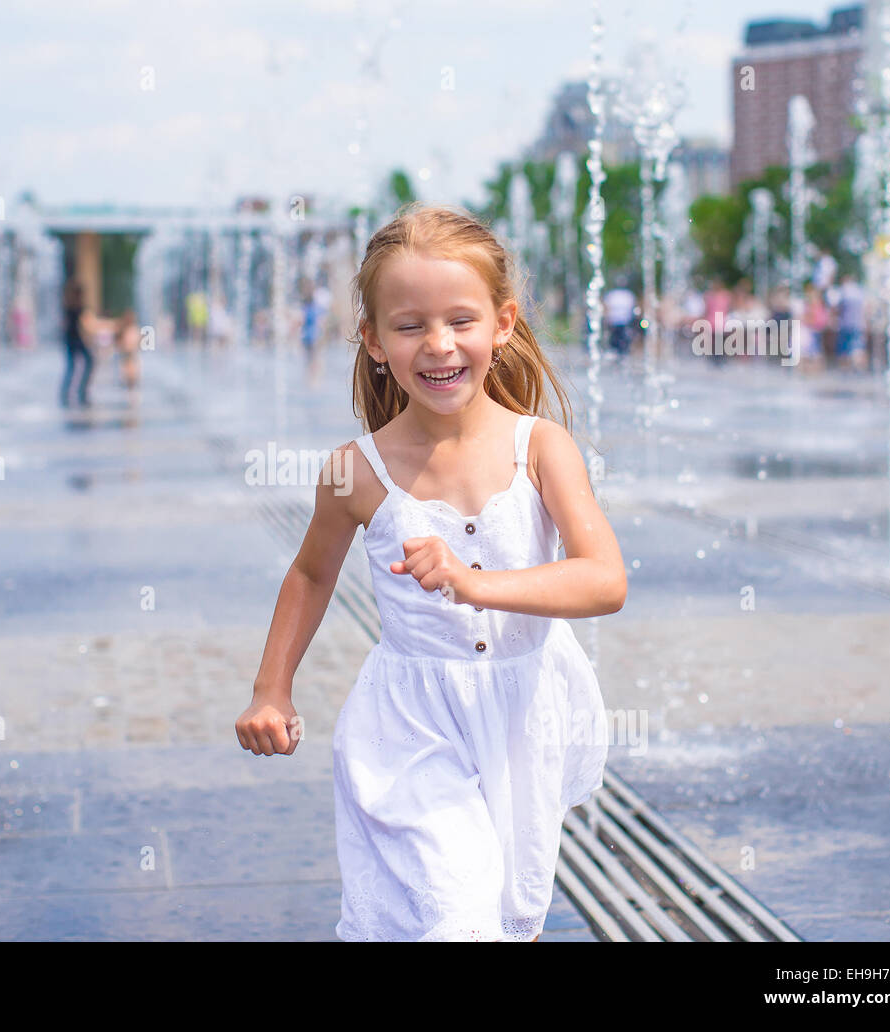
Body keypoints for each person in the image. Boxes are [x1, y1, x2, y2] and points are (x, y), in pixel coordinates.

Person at [234, 203, 627, 942]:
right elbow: (311, 577)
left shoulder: (540, 450)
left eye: (461, 321)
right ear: (375, 341)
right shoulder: (357, 471)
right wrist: (270, 688)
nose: (439, 344)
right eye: (410, 325)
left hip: (522, 714)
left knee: (509, 918)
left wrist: (479, 584)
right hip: (410, 721)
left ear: (503, 324)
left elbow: (604, 579)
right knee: (453, 913)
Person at [835, 274, 868, 372]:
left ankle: (845, 371)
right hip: (858, 325)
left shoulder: (843, 291)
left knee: (844, 351)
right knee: (859, 349)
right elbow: (865, 309)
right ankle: (861, 371)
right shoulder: (860, 291)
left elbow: (838, 308)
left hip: (845, 325)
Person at [603, 276, 636, 356]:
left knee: (621, 339)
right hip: (618, 320)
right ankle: (619, 353)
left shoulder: (626, 295)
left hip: (621, 320)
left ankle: (620, 353)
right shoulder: (627, 295)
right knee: (618, 339)